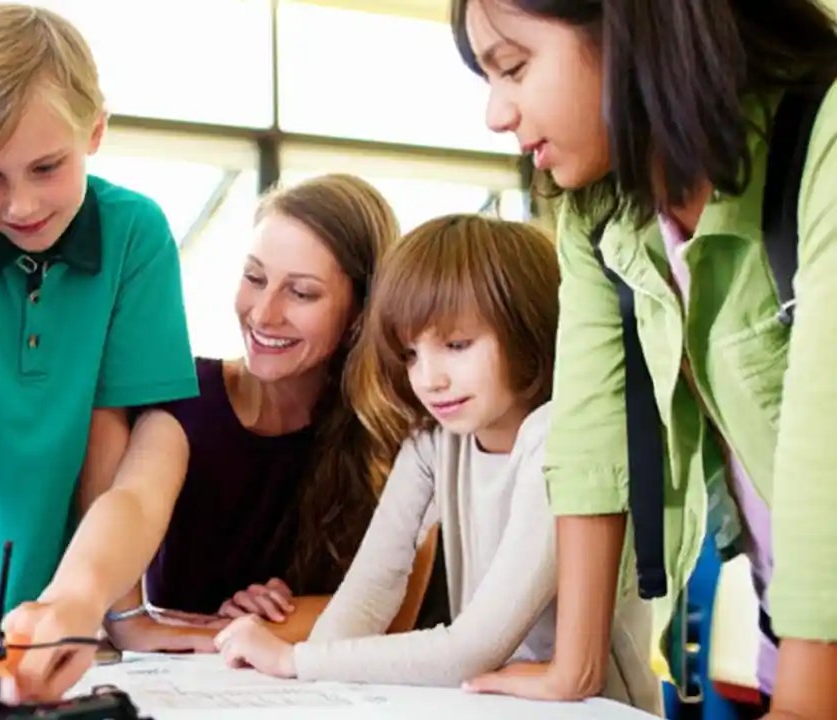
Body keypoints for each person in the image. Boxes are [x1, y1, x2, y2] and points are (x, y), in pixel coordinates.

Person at [452, 2, 837, 719]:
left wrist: (807, 704)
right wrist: (575, 666)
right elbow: (590, 432)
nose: (496, 114)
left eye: (514, 67)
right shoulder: (601, 214)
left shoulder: (825, 141)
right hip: (790, 634)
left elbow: (831, 454)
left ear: (631, 25)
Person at [0, 173, 456, 703]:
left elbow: (395, 616)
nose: (263, 313)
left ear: (361, 312)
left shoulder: (396, 430)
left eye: (301, 292)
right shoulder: (191, 395)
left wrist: (271, 624)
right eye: (255, 278)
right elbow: (134, 500)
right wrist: (74, 598)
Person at [212, 214, 661, 713]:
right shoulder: (435, 439)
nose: (429, 379)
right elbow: (367, 596)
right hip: (488, 704)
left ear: (527, 326)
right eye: (410, 354)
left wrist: (294, 660)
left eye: (456, 346)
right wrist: (310, 667)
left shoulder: (560, 434)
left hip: (594, 710)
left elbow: (473, 647)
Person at [0, 2, 197, 626]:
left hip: (53, 593)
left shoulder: (138, 235)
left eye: (47, 168)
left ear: (95, 132)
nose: (21, 205)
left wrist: (115, 612)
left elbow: (110, 439)